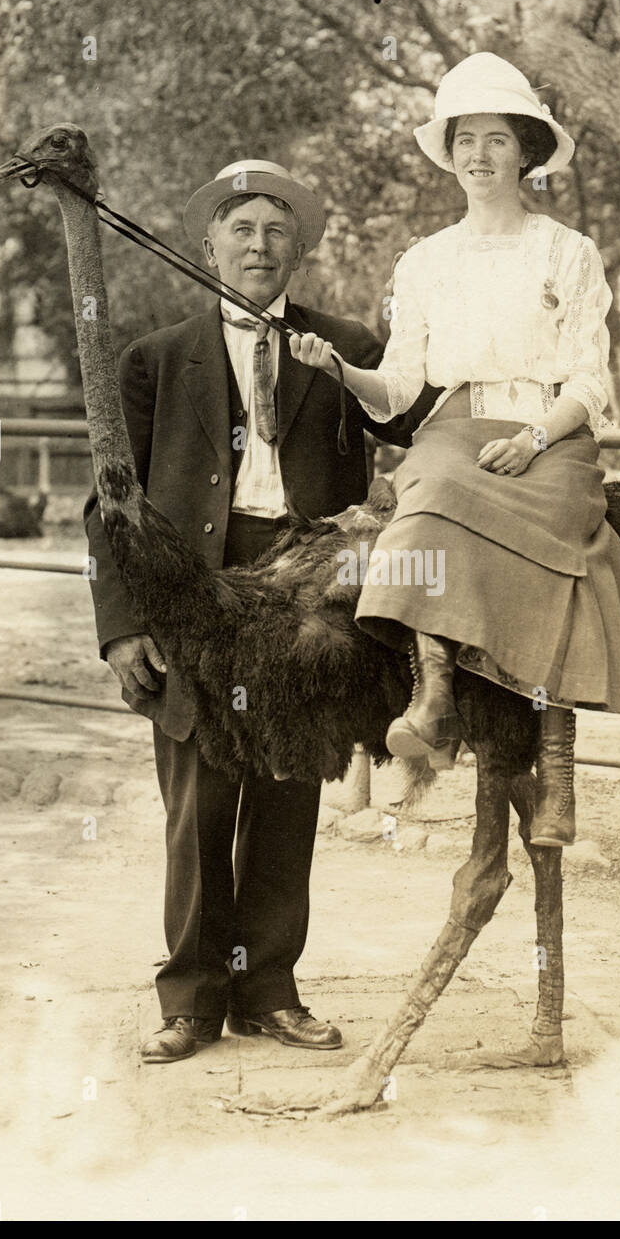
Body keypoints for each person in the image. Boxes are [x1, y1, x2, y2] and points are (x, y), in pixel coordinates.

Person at [85, 159, 427, 1062]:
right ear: (209, 246)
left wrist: (362, 368)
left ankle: (268, 992)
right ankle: (192, 998)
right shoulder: (154, 360)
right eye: (241, 229)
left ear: (300, 250)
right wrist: (124, 627)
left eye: (278, 231)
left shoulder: (344, 344)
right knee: (198, 796)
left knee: (287, 792)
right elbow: (109, 505)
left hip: (309, 595)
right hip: (197, 592)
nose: (259, 246)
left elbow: (415, 419)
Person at [288, 53, 620, 850]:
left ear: (526, 150)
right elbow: (398, 389)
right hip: (455, 430)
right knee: (422, 507)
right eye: (465, 139)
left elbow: (591, 381)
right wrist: (341, 369)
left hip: (550, 432)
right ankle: (433, 698)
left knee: (569, 548)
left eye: (498, 138)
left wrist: (534, 440)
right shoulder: (424, 260)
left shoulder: (568, 251)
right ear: (449, 151)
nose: (480, 155)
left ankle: (558, 771)